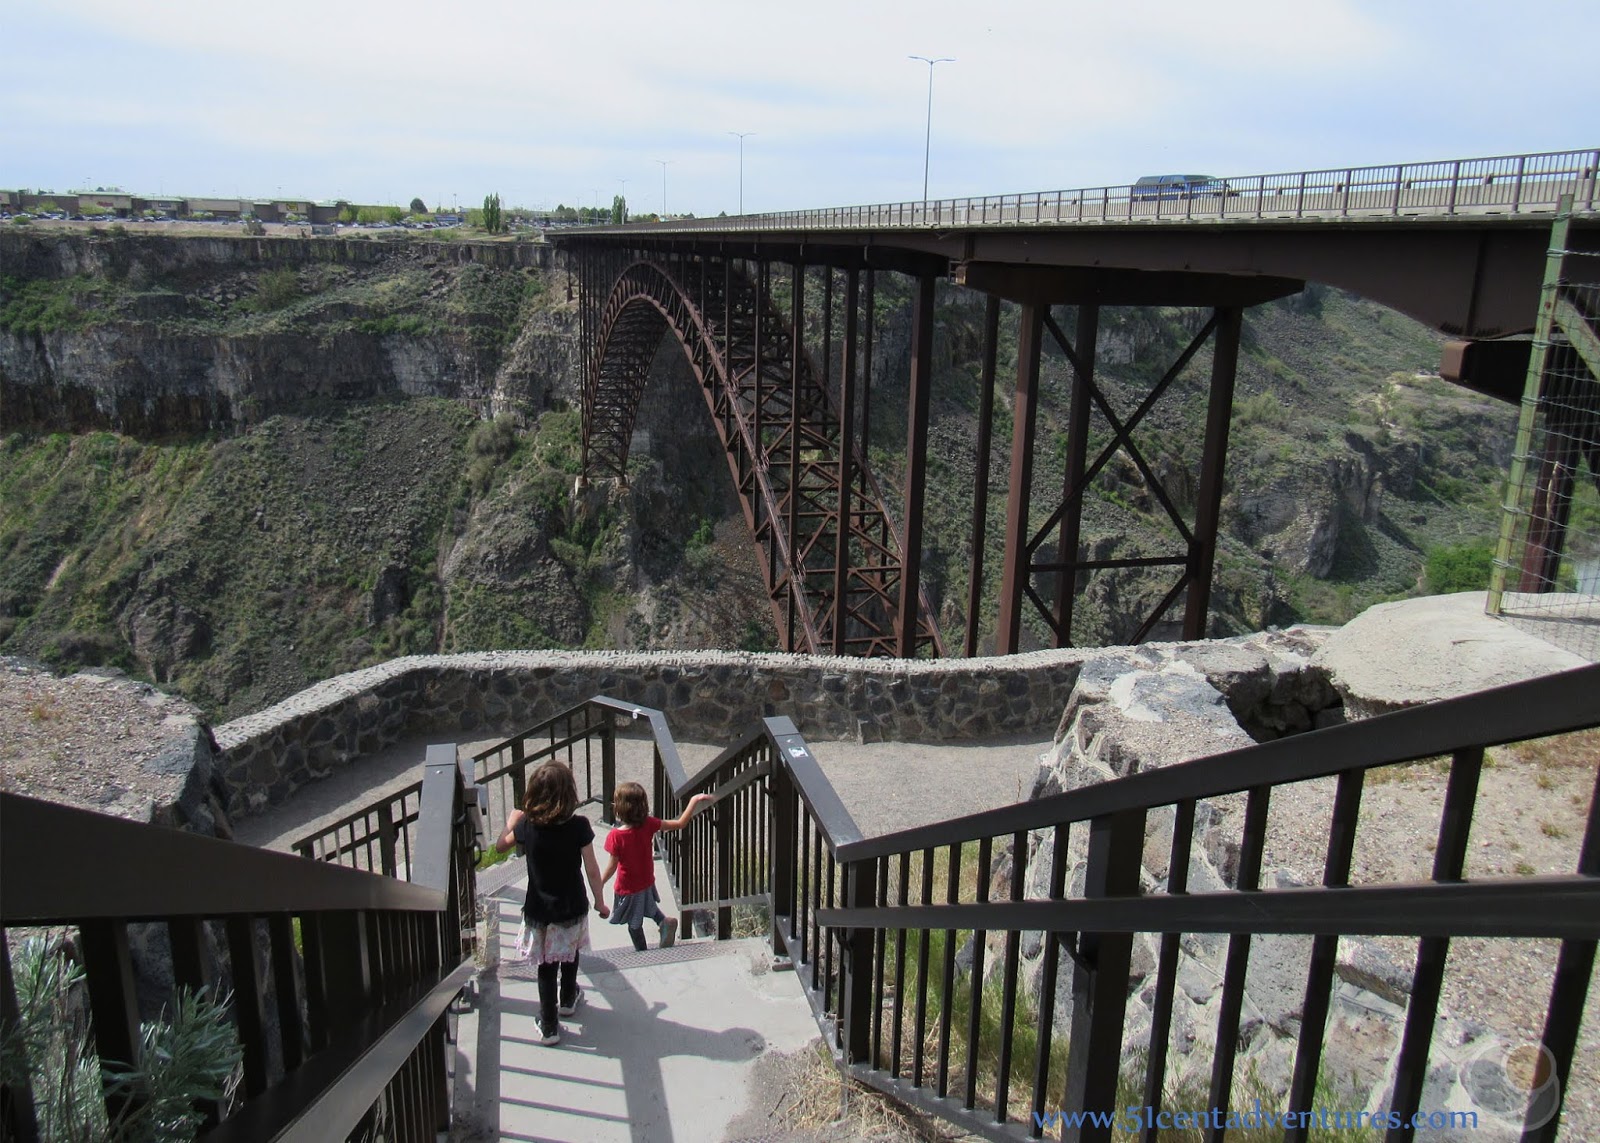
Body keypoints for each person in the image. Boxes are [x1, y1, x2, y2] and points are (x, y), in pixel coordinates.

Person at [495, 761, 608, 1046]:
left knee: (546, 966)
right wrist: (600, 901)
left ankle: (548, 1026)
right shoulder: (579, 827)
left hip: (539, 910)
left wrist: (511, 823)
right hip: (572, 907)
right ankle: (568, 999)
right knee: (570, 953)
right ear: (569, 794)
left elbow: (499, 847)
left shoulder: (526, 826)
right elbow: (592, 869)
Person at [601, 784, 715, 951]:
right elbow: (680, 823)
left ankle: (642, 952)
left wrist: (600, 881)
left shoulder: (616, 836)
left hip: (628, 888)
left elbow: (612, 866)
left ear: (619, 808)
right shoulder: (648, 824)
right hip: (646, 882)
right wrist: (693, 801)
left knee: (634, 924)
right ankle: (664, 922)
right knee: (649, 907)